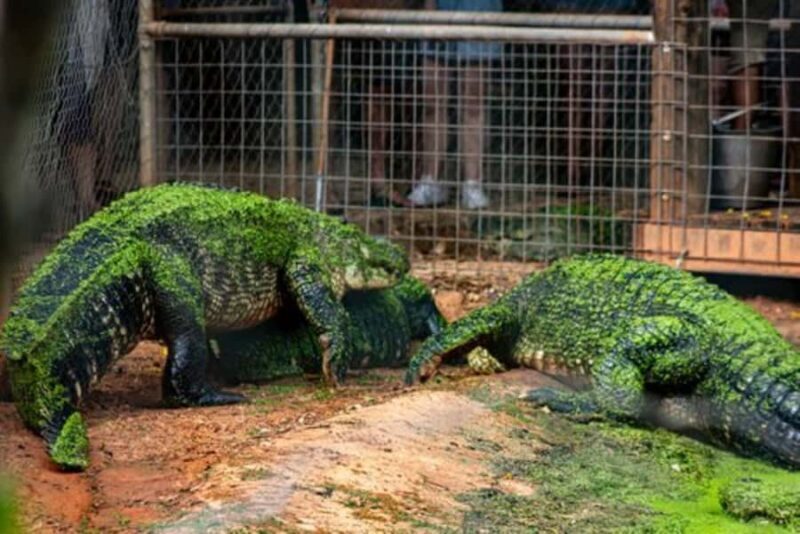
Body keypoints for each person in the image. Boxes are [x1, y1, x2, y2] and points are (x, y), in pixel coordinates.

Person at [407, 0, 502, 209]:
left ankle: (472, 184)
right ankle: (431, 180)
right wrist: (430, 10)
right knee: (432, 102)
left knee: (473, 103)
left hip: (479, 10)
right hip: (439, 10)